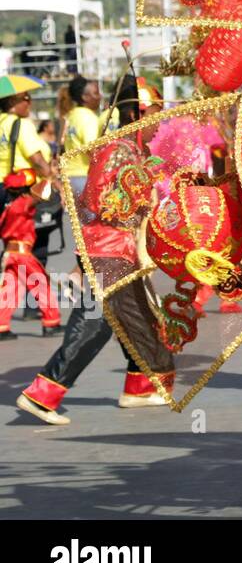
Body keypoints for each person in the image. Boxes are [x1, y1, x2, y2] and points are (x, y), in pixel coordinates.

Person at [16, 74, 176, 425]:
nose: (160, 125)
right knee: (96, 321)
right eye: (155, 116)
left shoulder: (134, 150)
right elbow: (96, 201)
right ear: (137, 115)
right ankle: (43, 394)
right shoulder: (117, 149)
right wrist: (134, 202)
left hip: (122, 248)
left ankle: (142, 387)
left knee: (138, 317)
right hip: (106, 249)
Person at [0, 80, 62, 338]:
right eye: (25, 97)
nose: (29, 102)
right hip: (22, 197)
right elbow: (37, 159)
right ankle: (51, 319)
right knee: (25, 256)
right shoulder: (20, 124)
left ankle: (2, 323)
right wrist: (54, 179)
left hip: (3, 195)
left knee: (15, 264)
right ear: (13, 101)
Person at [58, 76, 102, 197]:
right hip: (84, 176)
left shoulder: (72, 115)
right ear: (85, 97)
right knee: (92, 216)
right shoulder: (88, 117)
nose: (100, 96)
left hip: (69, 177)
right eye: (96, 93)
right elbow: (92, 148)